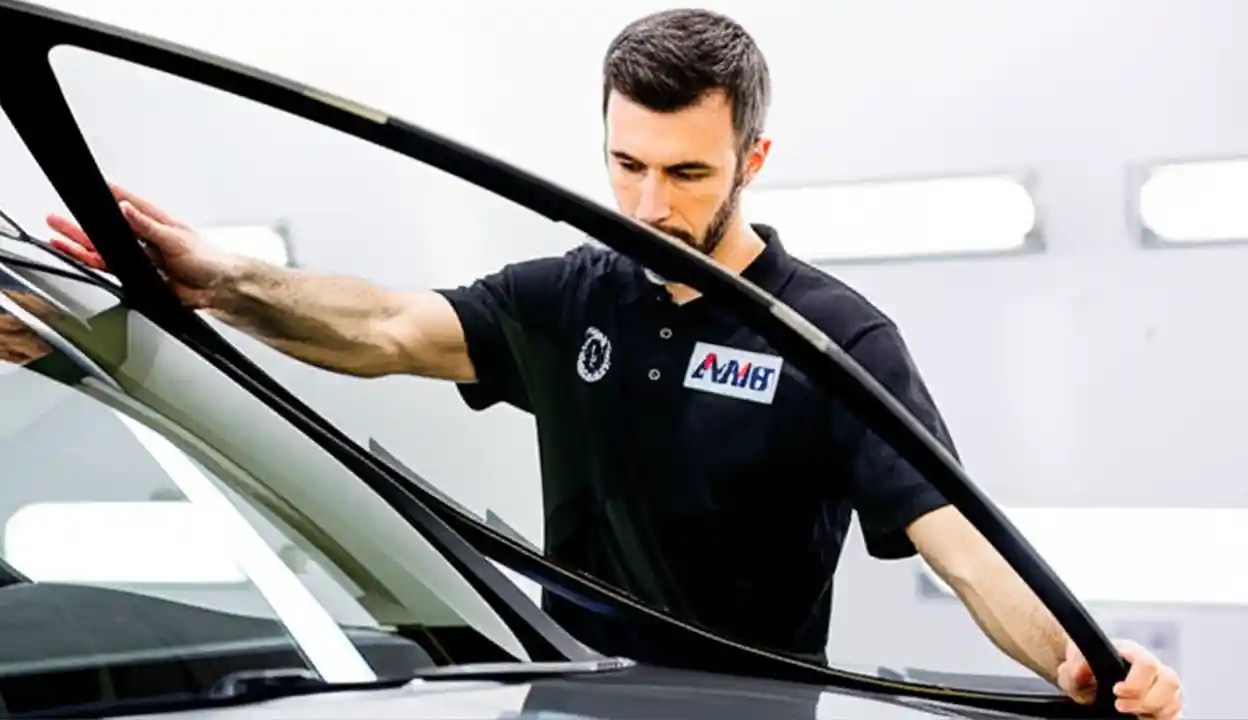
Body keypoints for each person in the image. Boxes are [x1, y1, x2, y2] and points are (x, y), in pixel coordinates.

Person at [46, 8, 1182, 719]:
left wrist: (1079, 660)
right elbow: (386, 328)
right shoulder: (569, 296)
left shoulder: (831, 340)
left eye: (685, 174)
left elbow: (968, 551)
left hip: (738, 714)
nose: (646, 206)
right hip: (563, 700)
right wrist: (220, 280)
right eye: (624, 165)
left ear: (753, 157)